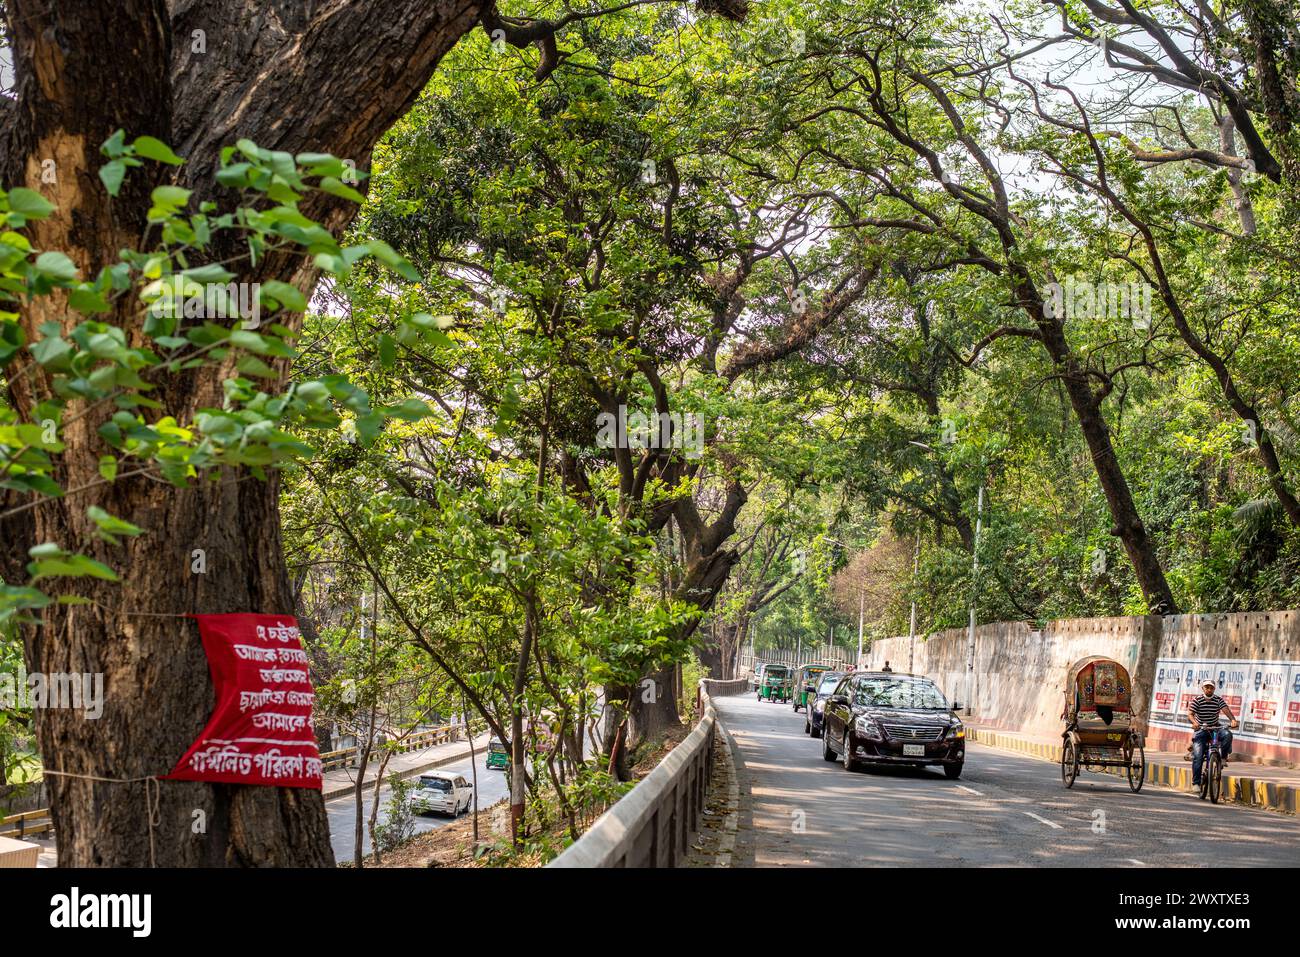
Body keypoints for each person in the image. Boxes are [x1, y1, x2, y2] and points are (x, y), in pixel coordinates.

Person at [1189, 679, 1238, 788]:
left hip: (1215, 728)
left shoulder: (1218, 700)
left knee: (1227, 735)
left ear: (1214, 689)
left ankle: (1223, 758)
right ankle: (1196, 783)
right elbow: (1190, 714)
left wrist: (1233, 720)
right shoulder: (1197, 700)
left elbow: (1225, 709)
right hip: (1201, 730)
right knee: (1198, 756)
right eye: (1207, 687)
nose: (1209, 689)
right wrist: (1195, 723)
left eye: (1211, 687)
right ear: (1203, 688)